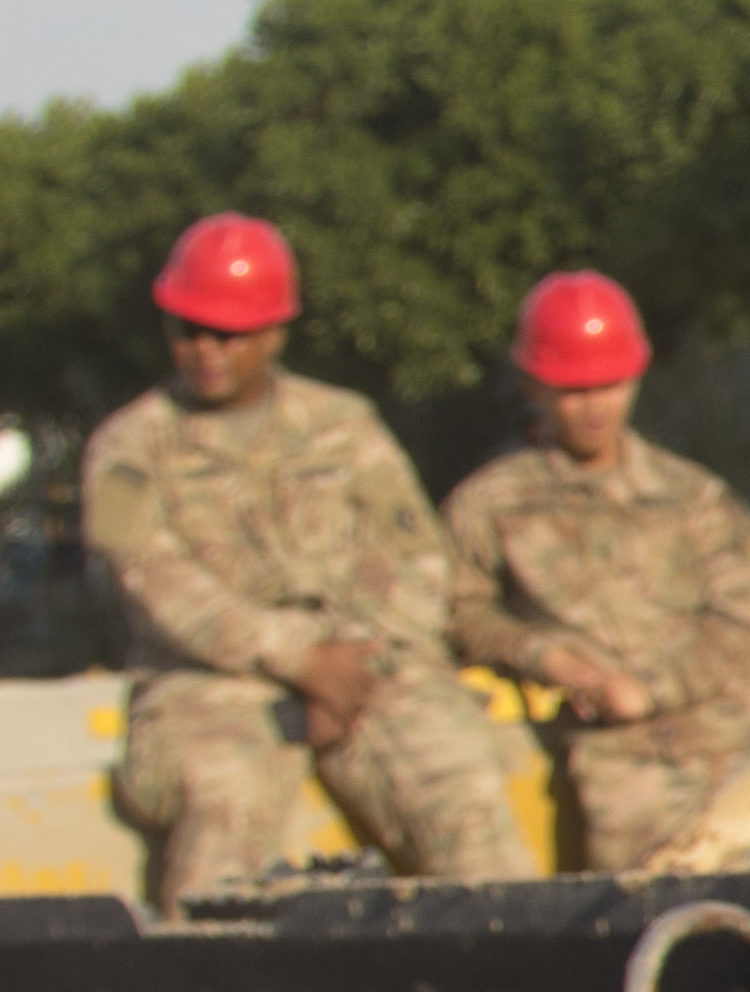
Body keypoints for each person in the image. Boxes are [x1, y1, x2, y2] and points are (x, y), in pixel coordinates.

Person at [81, 213, 534, 907]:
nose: (204, 349)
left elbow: (414, 559)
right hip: (204, 688)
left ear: (274, 333)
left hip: (365, 668)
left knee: (459, 781)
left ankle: (519, 980)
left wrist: (349, 665)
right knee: (227, 799)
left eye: (227, 333)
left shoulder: (346, 425)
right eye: (185, 330)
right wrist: (296, 657)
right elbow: (144, 577)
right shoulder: (123, 450)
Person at [442, 272, 750, 873]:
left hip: (735, 734)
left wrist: (647, 690)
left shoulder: (692, 497)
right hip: (622, 766)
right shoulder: (493, 504)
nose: (594, 406)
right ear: (535, 387)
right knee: (658, 907)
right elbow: (455, 608)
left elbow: (741, 618)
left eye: (609, 385)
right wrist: (544, 656)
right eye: (572, 390)